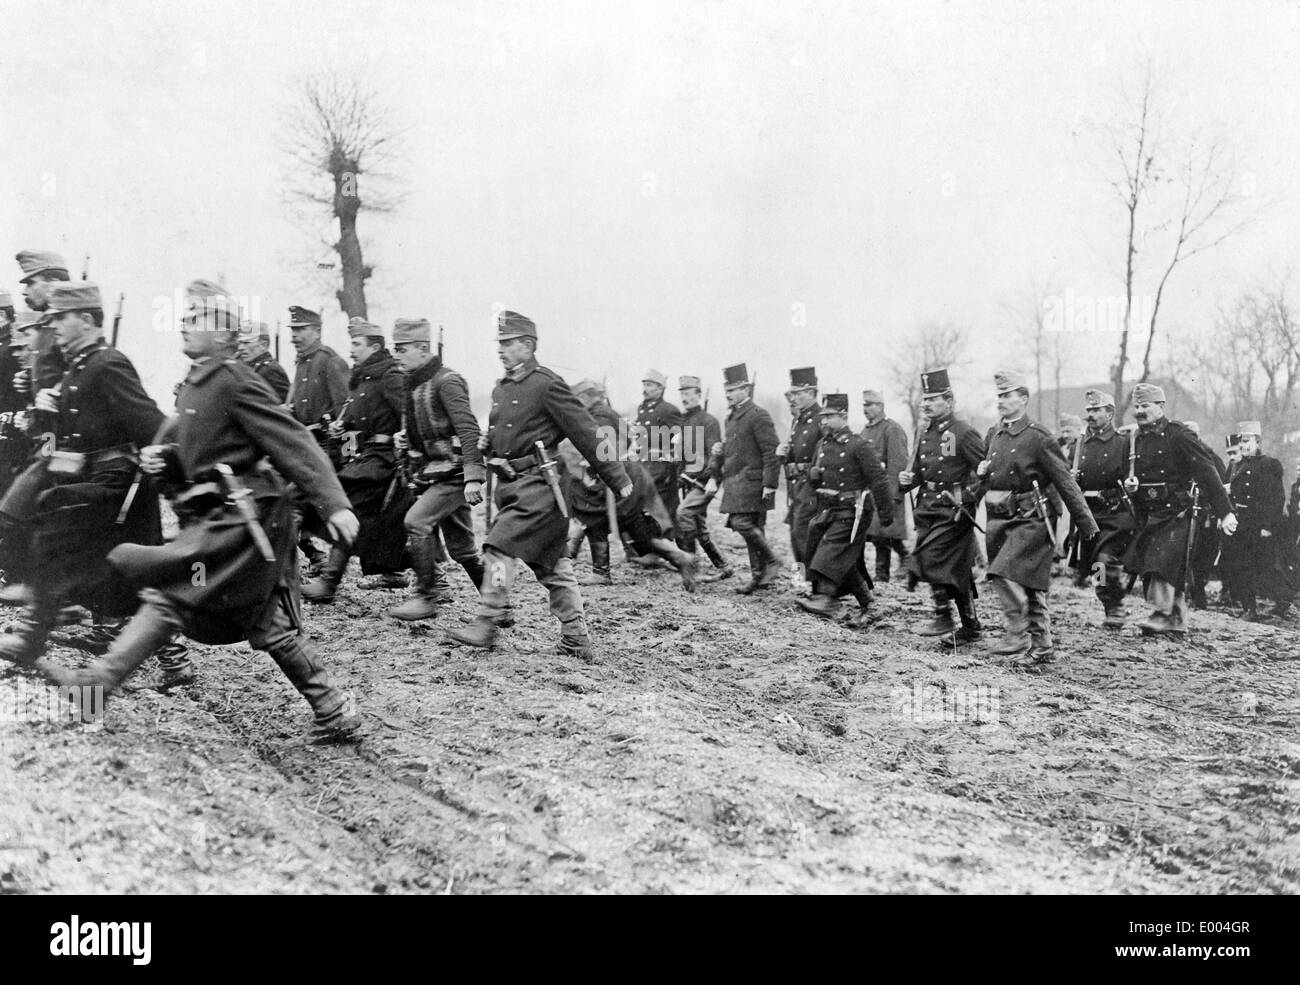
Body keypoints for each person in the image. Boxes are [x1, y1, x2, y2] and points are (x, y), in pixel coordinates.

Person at [44, 295, 361, 741]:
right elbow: (202, 459)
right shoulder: (196, 384)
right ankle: (333, 708)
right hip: (219, 523)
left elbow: (293, 442)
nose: (186, 324)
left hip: (247, 526)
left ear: (225, 334)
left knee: (176, 592)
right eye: (186, 317)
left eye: (199, 319)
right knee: (257, 617)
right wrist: (168, 461)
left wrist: (335, 503)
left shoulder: (235, 379)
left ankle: (97, 683)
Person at [446, 311, 631, 660]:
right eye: (499, 343)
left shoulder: (547, 383)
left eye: (507, 343)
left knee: (498, 548)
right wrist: (489, 444)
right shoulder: (502, 387)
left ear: (528, 346)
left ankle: (488, 620)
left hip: (543, 488)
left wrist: (617, 476)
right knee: (553, 565)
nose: (500, 350)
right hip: (514, 487)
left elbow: (588, 431)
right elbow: (507, 431)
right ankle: (575, 636)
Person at [0, 283, 167, 665]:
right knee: (112, 571)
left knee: (56, 532)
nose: (53, 326)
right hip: (91, 478)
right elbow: (69, 433)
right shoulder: (79, 367)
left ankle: (30, 637)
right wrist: (43, 410)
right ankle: (174, 660)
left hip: (115, 482)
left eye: (62, 318)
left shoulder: (107, 363)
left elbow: (150, 422)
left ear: (88, 319)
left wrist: (165, 457)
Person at [978, 371, 1097, 667]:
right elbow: (985, 476)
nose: (1002, 400)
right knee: (1029, 584)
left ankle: (1018, 634)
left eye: (1008, 395)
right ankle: (1042, 646)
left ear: (1024, 399)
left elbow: (1065, 482)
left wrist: (1087, 524)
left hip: (1034, 518)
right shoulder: (995, 434)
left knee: (1002, 573)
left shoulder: (1038, 437)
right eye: (1000, 396)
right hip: (1000, 518)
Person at [303, 318, 408, 602]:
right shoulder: (363, 377)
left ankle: (329, 583)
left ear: (375, 347)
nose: (351, 350)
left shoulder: (389, 375)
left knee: (351, 509)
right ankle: (417, 573)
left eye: (357, 344)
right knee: (365, 521)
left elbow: (408, 414)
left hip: (384, 460)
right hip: (365, 457)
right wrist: (340, 425)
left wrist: (406, 442)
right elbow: (356, 414)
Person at [388, 318, 487, 621]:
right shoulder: (414, 382)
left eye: (403, 349)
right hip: (433, 474)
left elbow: (469, 430)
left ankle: (427, 597)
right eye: (396, 349)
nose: (398, 355)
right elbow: (428, 428)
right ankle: (500, 603)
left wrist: (473, 477)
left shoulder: (447, 381)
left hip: (454, 475)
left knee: (416, 522)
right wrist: (405, 438)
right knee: (463, 550)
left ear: (422, 348)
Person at [1122, 382, 1235, 635]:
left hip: (1177, 512)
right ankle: (1177, 619)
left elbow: (1207, 471)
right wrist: (1130, 485)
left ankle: (1161, 614)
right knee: (1163, 565)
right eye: (1137, 406)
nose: (1140, 411)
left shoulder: (1179, 434)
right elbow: (1126, 473)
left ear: (1161, 407)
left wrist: (1225, 511)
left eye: (1146, 405)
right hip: (1149, 513)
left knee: (1161, 562)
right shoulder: (1134, 439)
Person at [798, 393, 893, 627]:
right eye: (823, 417)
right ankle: (870, 606)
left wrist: (887, 513)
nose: (824, 422)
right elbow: (814, 477)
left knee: (831, 552)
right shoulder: (822, 445)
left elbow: (878, 480)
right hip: (829, 508)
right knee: (840, 558)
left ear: (843, 416)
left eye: (829, 417)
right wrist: (812, 477)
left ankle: (826, 599)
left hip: (854, 510)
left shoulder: (858, 445)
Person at [707, 363, 781, 594]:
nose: (728, 394)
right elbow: (739, 447)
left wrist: (770, 484)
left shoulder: (758, 415)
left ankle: (771, 560)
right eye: (726, 390)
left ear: (746, 390)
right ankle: (758, 577)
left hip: (753, 482)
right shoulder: (732, 417)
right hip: (737, 482)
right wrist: (721, 449)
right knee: (752, 530)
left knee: (743, 524)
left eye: (733, 390)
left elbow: (771, 451)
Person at [286, 305, 349, 571]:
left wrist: (331, 424)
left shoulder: (329, 360)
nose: (294, 336)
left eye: (301, 330)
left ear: (317, 331)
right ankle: (316, 558)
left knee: (293, 502)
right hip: (304, 445)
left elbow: (346, 406)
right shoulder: (302, 362)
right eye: (293, 330)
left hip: (326, 447)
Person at [1071, 389, 1136, 629]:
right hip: (1089, 515)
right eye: (1088, 410)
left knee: (1104, 560)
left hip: (1114, 515)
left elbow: (1132, 476)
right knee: (1095, 567)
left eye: (1096, 410)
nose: (1091, 414)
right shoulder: (1080, 445)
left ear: (1109, 413)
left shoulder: (1122, 443)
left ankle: (1116, 604)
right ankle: (1108, 603)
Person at [1219, 420, 1290, 620]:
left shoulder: (1270, 464)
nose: (1243, 444)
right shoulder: (1240, 466)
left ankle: (1284, 600)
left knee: (1265, 567)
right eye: (1241, 440)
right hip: (1242, 524)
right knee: (1241, 567)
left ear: (1258, 441)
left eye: (1247, 440)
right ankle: (1249, 608)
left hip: (1260, 525)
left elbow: (1277, 499)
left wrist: (1267, 527)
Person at [674, 375, 732, 581]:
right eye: (682, 393)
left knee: (683, 514)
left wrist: (713, 478)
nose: (685, 398)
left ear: (699, 395)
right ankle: (723, 566)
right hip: (686, 481)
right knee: (698, 526)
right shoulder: (682, 421)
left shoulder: (709, 421)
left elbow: (716, 453)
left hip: (704, 481)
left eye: (689, 393)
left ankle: (691, 566)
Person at [777, 368, 822, 587]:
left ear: (812, 392)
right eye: (791, 394)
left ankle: (813, 584)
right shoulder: (799, 420)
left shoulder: (821, 419)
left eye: (798, 393)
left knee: (803, 532)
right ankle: (799, 580)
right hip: (797, 485)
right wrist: (784, 455)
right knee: (795, 533)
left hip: (813, 486)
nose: (793, 398)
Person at [859, 389, 909, 584]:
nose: (866, 409)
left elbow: (898, 463)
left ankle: (883, 576)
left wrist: (893, 494)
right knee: (876, 535)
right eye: (864, 405)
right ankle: (901, 560)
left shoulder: (891, 429)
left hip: (886, 491)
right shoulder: (865, 431)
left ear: (880, 406)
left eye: (870, 405)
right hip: (869, 492)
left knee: (883, 534)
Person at [1183, 421, 1226, 610]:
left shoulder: (1212, 458)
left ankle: (1198, 595)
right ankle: (1188, 593)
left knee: (1202, 557)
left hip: (1206, 517)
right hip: (1183, 514)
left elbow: (1221, 488)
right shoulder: (1177, 458)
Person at [634, 369, 682, 540]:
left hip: (662, 468)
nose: (645, 389)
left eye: (649, 385)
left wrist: (673, 463)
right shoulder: (642, 408)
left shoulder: (669, 410)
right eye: (644, 384)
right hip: (644, 465)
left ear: (660, 388)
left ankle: (681, 552)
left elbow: (680, 438)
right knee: (645, 508)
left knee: (666, 511)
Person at [236, 321, 290, 402]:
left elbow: (282, 405)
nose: (240, 347)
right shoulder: (250, 367)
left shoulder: (270, 370)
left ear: (263, 345)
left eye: (246, 342)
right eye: (240, 343)